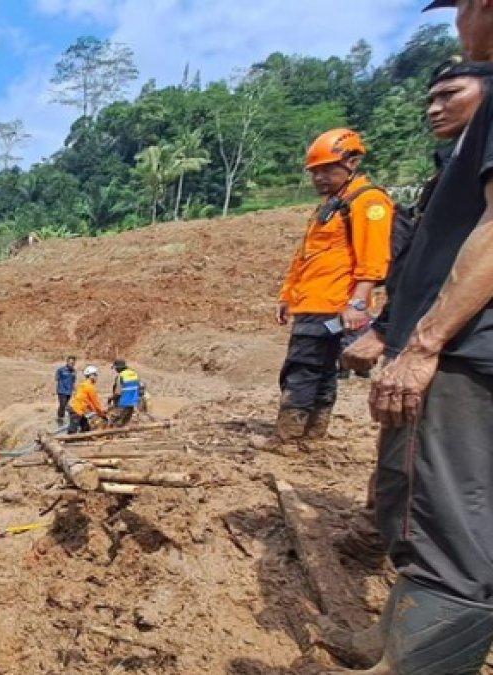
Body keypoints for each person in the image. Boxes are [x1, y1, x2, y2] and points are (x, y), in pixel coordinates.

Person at [327, 4, 493, 672]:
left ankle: (417, 661)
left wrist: (423, 345)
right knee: (422, 506)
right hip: (450, 342)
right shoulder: (457, 152)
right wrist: (397, 330)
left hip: (463, 349)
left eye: (464, 5)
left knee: (447, 526)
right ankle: (394, 638)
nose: (462, 20)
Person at [344, 59, 490, 375]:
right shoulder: (449, 173)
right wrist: (385, 328)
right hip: (420, 340)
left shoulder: (368, 200)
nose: (434, 110)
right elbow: (422, 266)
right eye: (431, 100)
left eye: (450, 94)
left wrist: (426, 344)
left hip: (461, 353)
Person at [274, 128, 393, 446]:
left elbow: (374, 257)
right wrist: (288, 296)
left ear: (352, 162)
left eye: (328, 169)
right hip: (313, 302)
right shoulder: (332, 205)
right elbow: (307, 256)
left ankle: (289, 437)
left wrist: (358, 302)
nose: (319, 178)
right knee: (321, 368)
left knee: (303, 367)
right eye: (315, 172)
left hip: (333, 304)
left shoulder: (368, 201)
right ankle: (311, 435)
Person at [67, 365, 107, 434]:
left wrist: (93, 410)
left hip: (76, 408)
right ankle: (67, 441)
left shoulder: (83, 384)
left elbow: (87, 401)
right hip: (76, 409)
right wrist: (102, 415)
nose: (96, 378)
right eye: (95, 375)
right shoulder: (90, 387)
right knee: (72, 430)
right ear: (91, 375)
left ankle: (83, 438)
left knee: (85, 427)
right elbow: (96, 404)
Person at [109, 360, 143, 427]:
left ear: (119, 368)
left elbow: (118, 393)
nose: (115, 370)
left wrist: (110, 399)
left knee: (116, 421)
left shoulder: (120, 376)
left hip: (123, 402)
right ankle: (123, 434)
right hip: (133, 403)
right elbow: (140, 388)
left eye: (115, 368)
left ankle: (114, 433)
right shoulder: (134, 373)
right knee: (125, 421)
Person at [54, 356, 78, 428]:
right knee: (63, 405)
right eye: (70, 362)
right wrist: (60, 385)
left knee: (64, 405)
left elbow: (73, 382)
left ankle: (61, 417)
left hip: (69, 392)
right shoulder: (61, 370)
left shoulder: (74, 371)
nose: (71, 364)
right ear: (67, 362)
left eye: (73, 363)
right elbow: (56, 378)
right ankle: (60, 419)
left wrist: (74, 390)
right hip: (61, 391)